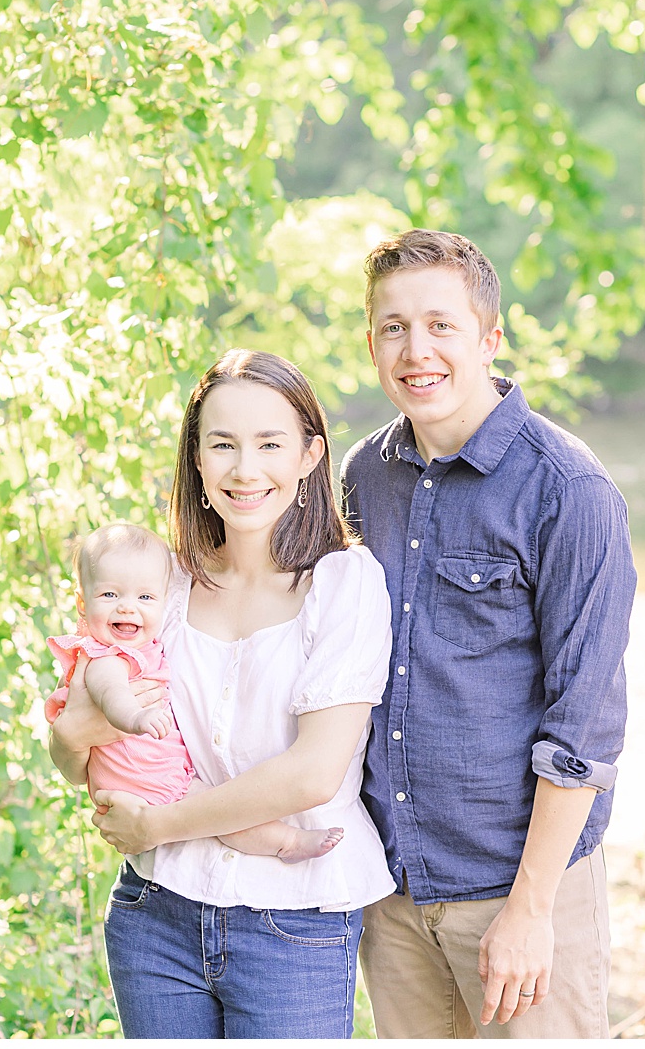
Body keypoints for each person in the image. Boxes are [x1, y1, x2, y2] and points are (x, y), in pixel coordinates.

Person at [48, 350, 394, 1038]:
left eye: (270, 443)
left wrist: (156, 826)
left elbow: (312, 774)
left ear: (309, 455)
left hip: (291, 923)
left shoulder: (345, 583)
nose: (246, 468)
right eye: (223, 444)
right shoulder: (162, 586)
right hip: (156, 912)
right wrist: (67, 737)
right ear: (198, 460)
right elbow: (76, 750)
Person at [341, 229, 634, 1039]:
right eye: (394, 328)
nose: (416, 349)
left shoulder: (568, 490)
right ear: (372, 344)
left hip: (517, 893)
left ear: (490, 337)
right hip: (394, 894)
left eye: (441, 325)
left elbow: (585, 726)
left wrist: (531, 909)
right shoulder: (364, 477)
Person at [46, 521, 346, 862]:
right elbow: (110, 693)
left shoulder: (139, 646)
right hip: (143, 779)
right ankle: (287, 842)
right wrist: (136, 717)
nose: (127, 607)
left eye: (144, 597)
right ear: (82, 603)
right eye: (109, 595)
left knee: (219, 811)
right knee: (223, 814)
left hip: (143, 773)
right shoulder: (106, 657)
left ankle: (286, 840)